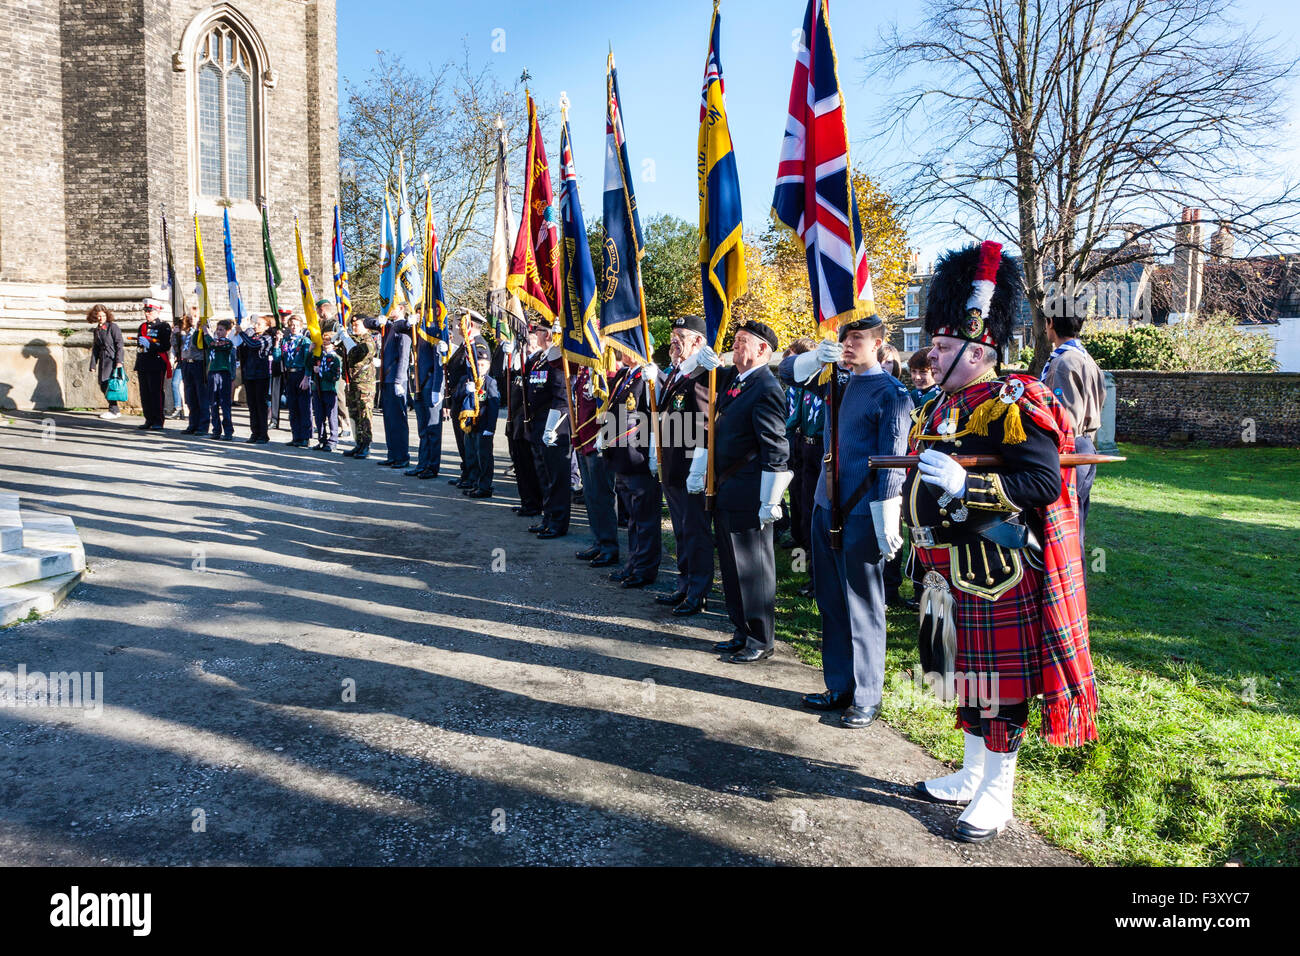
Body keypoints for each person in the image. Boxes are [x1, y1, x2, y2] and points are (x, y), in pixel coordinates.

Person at [907, 240, 1097, 843]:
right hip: (947, 566)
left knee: (999, 687)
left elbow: (1042, 480)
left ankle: (997, 792)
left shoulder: (1014, 399)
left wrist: (971, 483)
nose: (930, 355)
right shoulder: (945, 401)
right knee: (959, 673)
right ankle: (967, 774)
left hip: (997, 567)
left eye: (940, 347)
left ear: (976, 345)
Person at [781, 315, 912, 729]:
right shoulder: (839, 381)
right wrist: (810, 361)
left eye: (857, 338)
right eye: (844, 339)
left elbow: (893, 460)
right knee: (832, 602)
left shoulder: (891, 393)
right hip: (826, 504)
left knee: (864, 606)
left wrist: (888, 516)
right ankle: (839, 684)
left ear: (878, 343)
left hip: (862, 509)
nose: (848, 345)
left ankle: (867, 695)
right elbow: (787, 374)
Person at [688, 320, 790, 664]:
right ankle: (741, 629)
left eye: (742, 341)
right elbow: (705, 395)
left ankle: (761, 638)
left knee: (753, 568)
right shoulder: (736, 380)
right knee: (732, 566)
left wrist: (770, 499)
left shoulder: (766, 386)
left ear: (763, 349)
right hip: (727, 488)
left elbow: (775, 446)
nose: (735, 346)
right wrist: (701, 365)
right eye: (734, 340)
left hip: (749, 491)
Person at [654, 315, 714, 616]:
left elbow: (704, 424)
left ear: (699, 342)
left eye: (681, 335)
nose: (674, 340)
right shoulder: (678, 372)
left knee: (695, 531)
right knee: (681, 530)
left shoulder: (702, 374)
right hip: (673, 464)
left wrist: (698, 469)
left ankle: (698, 591)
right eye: (673, 333)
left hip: (690, 466)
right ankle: (684, 583)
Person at [1040, 310, 1106, 558]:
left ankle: (1067, 591)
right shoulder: (1087, 359)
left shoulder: (1063, 362)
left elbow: (1060, 416)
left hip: (1068, 449)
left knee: (1063, 531)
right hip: (1086, 446)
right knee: (1076, 527)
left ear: (1051, 323)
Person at [601, 352, 661, 589]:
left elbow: (655, 410)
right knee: (634, 519)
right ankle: (634, 563)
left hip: (639, 457)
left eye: (625, 348)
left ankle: (645, 568)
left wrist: (657, 379)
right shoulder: (627, 375)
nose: (620, 353)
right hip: (622, 456)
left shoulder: (650, 375)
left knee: (645, 518)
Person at [524, 322, 572, 538]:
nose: (536, 334)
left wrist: (552, 425)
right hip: (538, 425)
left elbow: (562, 396)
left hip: (555, 425)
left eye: (539, 331)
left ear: (550, 334)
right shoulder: (539, 359)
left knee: (557, 478)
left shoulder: (558, 359)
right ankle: (548, 517)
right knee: (543, 475)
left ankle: (558, 522)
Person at [571, 363, 620, 568]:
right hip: (583, 439)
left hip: (598, 440)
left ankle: (609, 546)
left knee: (602, 495)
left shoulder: (608, 369)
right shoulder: (584, 369)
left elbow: (613, 405)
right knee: (590, 496)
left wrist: (606, 435)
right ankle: (598, 541)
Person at [500, 326, 543, 518]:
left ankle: (535, 503)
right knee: (521, 467)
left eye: (533, 345)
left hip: (530, 424)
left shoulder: (538, 365)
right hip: (516, 422)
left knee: (532, 468)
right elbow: (504, 384)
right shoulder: (517, 363)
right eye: (528, 345)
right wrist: (506, 359)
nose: (530, 348)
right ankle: (527, 501)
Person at [364, 307, 413, 468]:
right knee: (389, 419)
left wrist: (399, 380)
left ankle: (402, 456)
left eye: (392, 305)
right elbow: (366, 322)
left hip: (396, 380)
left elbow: (404, 356)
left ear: (400, 308)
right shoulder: (389, 325)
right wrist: (377, 321)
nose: (388, 308)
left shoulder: (403, 329)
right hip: (386, 378)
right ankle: (392, 454)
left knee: (398, 420)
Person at [445, 315, 490, 487]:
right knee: (462, 440)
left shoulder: (478, 345)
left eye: (458, 324)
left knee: (470, 440)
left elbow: (478, 374)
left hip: (469, 400)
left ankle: (473, 475)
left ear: (469, 325)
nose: (455, 328)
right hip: (459, 398)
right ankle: (466, 472)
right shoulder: (465, 345)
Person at [407, 303, 449, 479]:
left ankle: (432, 466)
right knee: (422, 429)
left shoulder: (433, 333)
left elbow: (439, 364)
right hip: (418, 385)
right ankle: (422, 463)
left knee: (432, 429)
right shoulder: (416, 332)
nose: (419, 316)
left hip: (430, 385)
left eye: (421, 313)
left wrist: (437, 388)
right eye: (417, 313)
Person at [456, 344, 499, 497]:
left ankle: (485, 487)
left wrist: (490, 428)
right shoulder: (470, 380)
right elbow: (458, 400)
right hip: (471, 425)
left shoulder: (490, 383)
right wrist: (466, 391)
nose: (480, 367)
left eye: (483, 365)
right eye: (478, 364)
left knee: (484, 459)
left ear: (488, 366)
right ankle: (475, 483)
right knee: (472, 456)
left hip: (483, 426)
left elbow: (493, 406)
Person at [339, 314, 377, 459]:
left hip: (364, 385)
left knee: (364, 415)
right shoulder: (354, 340)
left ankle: (366, 445)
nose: (354, 327)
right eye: (353, 325)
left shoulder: (368, 341)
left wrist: (346, 340)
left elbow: (356, 354)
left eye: (357, 325)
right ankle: (359, 443)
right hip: (353, 384)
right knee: (354, 414)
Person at [234, 314, 275, 444]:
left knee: (260, 405)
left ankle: (263, 434)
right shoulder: (252, 335)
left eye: (259, 324)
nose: (256, 326)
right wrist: (242, 334)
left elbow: (253, 345)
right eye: (256, 323)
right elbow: (242, 348)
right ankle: (255, 432)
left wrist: (242, 334)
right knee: (252, 405)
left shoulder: (267, 338)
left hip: (261, 375)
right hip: (250, 374)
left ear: (267, 326)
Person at [276, 315, 315, 448]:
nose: (293, 327)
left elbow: (308, 361)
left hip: (301, 374)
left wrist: (306, 378)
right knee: (292, 407)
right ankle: (296, 436)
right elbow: (277, 358)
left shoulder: (305, 341)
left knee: (304, 407)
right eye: (291, 325)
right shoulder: (285, 341)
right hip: (290, 374)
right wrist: (276, 343)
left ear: (301, 327)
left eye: (296, 325)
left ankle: (305, 437)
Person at [134, 301, 172, 430]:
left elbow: (166, 345)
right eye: (146, 311)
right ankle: (148, 418)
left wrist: (151, 345)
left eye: (149, 311)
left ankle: (158, 420)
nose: (147, 313)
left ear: (157, 312)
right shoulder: (143, 326)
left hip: (156, 363)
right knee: (145, 393)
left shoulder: (163, 326)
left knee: (155, 392)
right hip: (143, 362)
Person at [317, 299, 352, 441]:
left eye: (319, 310)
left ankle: (346, 424)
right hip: (324, 361)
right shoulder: (320, 324)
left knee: (339, 394)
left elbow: (345, 343)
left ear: (323, 309)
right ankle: (334, 424)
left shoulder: (336, 325)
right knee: (326, 394)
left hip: (335, 362)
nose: (318, 313)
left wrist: (334, 347)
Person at [87, 304, 125, 420]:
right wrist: (93, 364)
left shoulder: (113, 327)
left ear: (107, 316)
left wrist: (119, 361)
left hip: (112, 360)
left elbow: (119, 345)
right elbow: (96, 348)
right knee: (102, 384)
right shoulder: (97, 330)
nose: (101, 318)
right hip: (103, 359)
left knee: (109, 384)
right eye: (98, 316)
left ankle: (113, 410)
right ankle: (115, 409)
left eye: (103, 316)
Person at [311, 327, 343, 452]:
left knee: (331, 416)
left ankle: (333, 440)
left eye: (328, 340)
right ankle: (321, 439)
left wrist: (322, 372)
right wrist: (310, 352)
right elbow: (309, 365)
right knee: (319, 416)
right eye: (324, 340)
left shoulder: (335, 358)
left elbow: (335, 376)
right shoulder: (319, 356)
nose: (325, 343)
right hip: (317, 389)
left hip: (329, 390)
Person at [178, 313, 209, 435]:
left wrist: (200, 329)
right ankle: (193, 423)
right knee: (190, 396)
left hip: (198, 363)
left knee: (201, 396)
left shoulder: (203, 331)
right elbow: (179, 347)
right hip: (186, 363)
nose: (192, 318)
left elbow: (199, 345)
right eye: (190, 316)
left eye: (195, 315)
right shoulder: (186, 332)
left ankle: (203, 425)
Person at [206, 320, 237, 441]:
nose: (218, 332)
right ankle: (216, 430)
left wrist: (206, 334)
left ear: (228, 331)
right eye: (217, 329)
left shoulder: (228, 342)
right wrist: (201, 330)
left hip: (223, 373)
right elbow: (199, 342)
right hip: (212, 372)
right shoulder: (212, 341)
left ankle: (228, 431)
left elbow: (215, 345)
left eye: (221, 330)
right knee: (213, 403)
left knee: (225, 403)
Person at [167, 315, 186, 420]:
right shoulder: (175, 336)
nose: (174, 328)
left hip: (186, 362)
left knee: (180, 385)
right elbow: (173, 348)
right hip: (180, 362)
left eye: (176, 326)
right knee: (175, 383)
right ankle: (178, 408)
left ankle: (182, 409)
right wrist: (174, 335)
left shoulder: (185, 335)